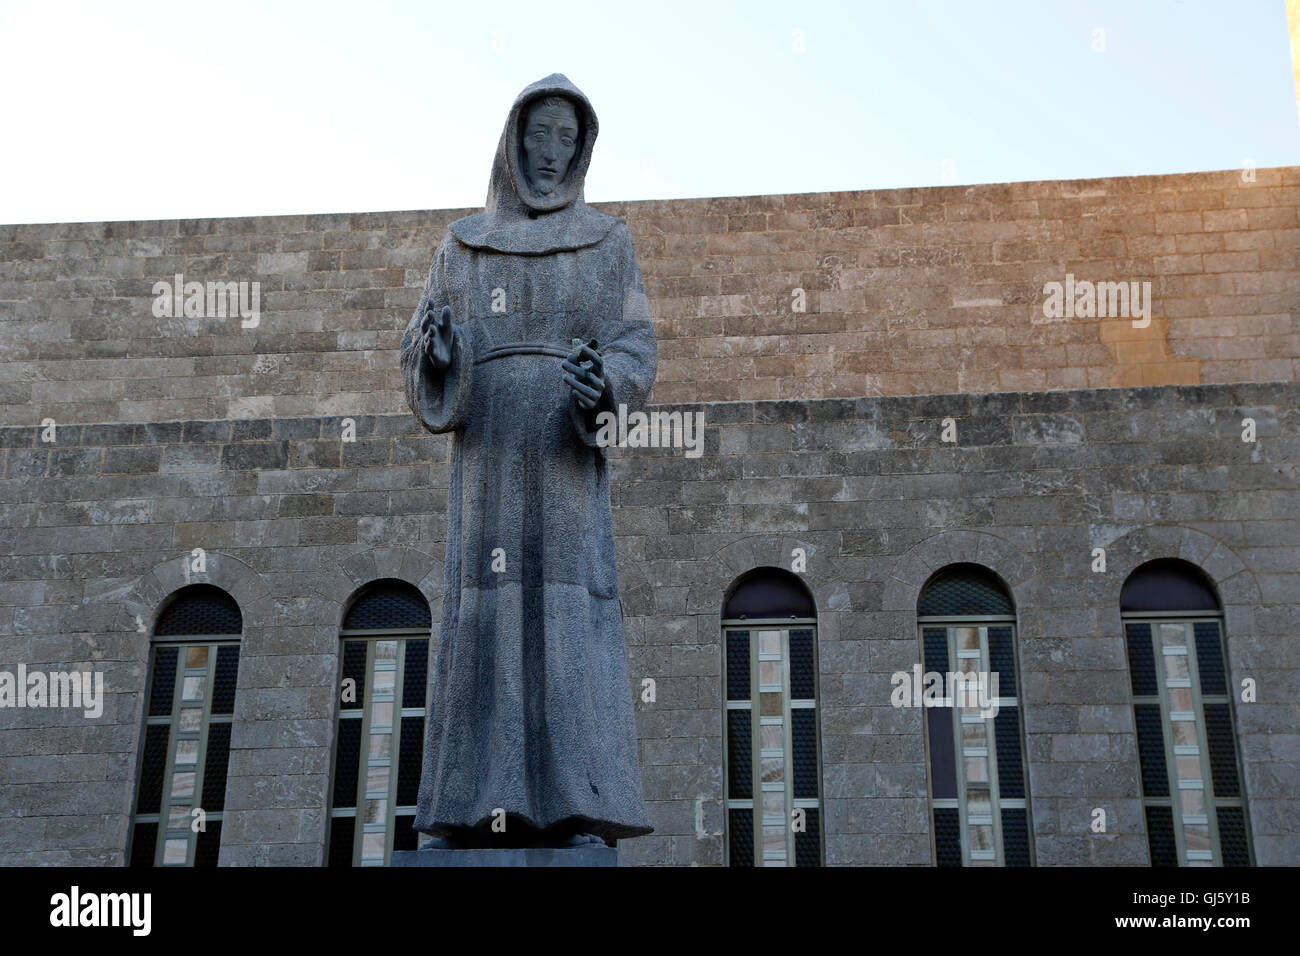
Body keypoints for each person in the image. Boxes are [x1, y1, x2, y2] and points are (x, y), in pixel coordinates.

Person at [400, 74, 657, 848]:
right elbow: (424, 341)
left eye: (566, 139)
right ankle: (465, 807)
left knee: (566, 617)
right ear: (514, 140)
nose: (551, 153)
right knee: (486, 614)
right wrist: (439, 353)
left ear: (582, 150)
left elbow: (634, 345)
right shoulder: (462, 244)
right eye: (539, 135)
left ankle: (574, 804)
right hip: (488, 455)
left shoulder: (608, 242)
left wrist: (603, 384)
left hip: (562, 456)